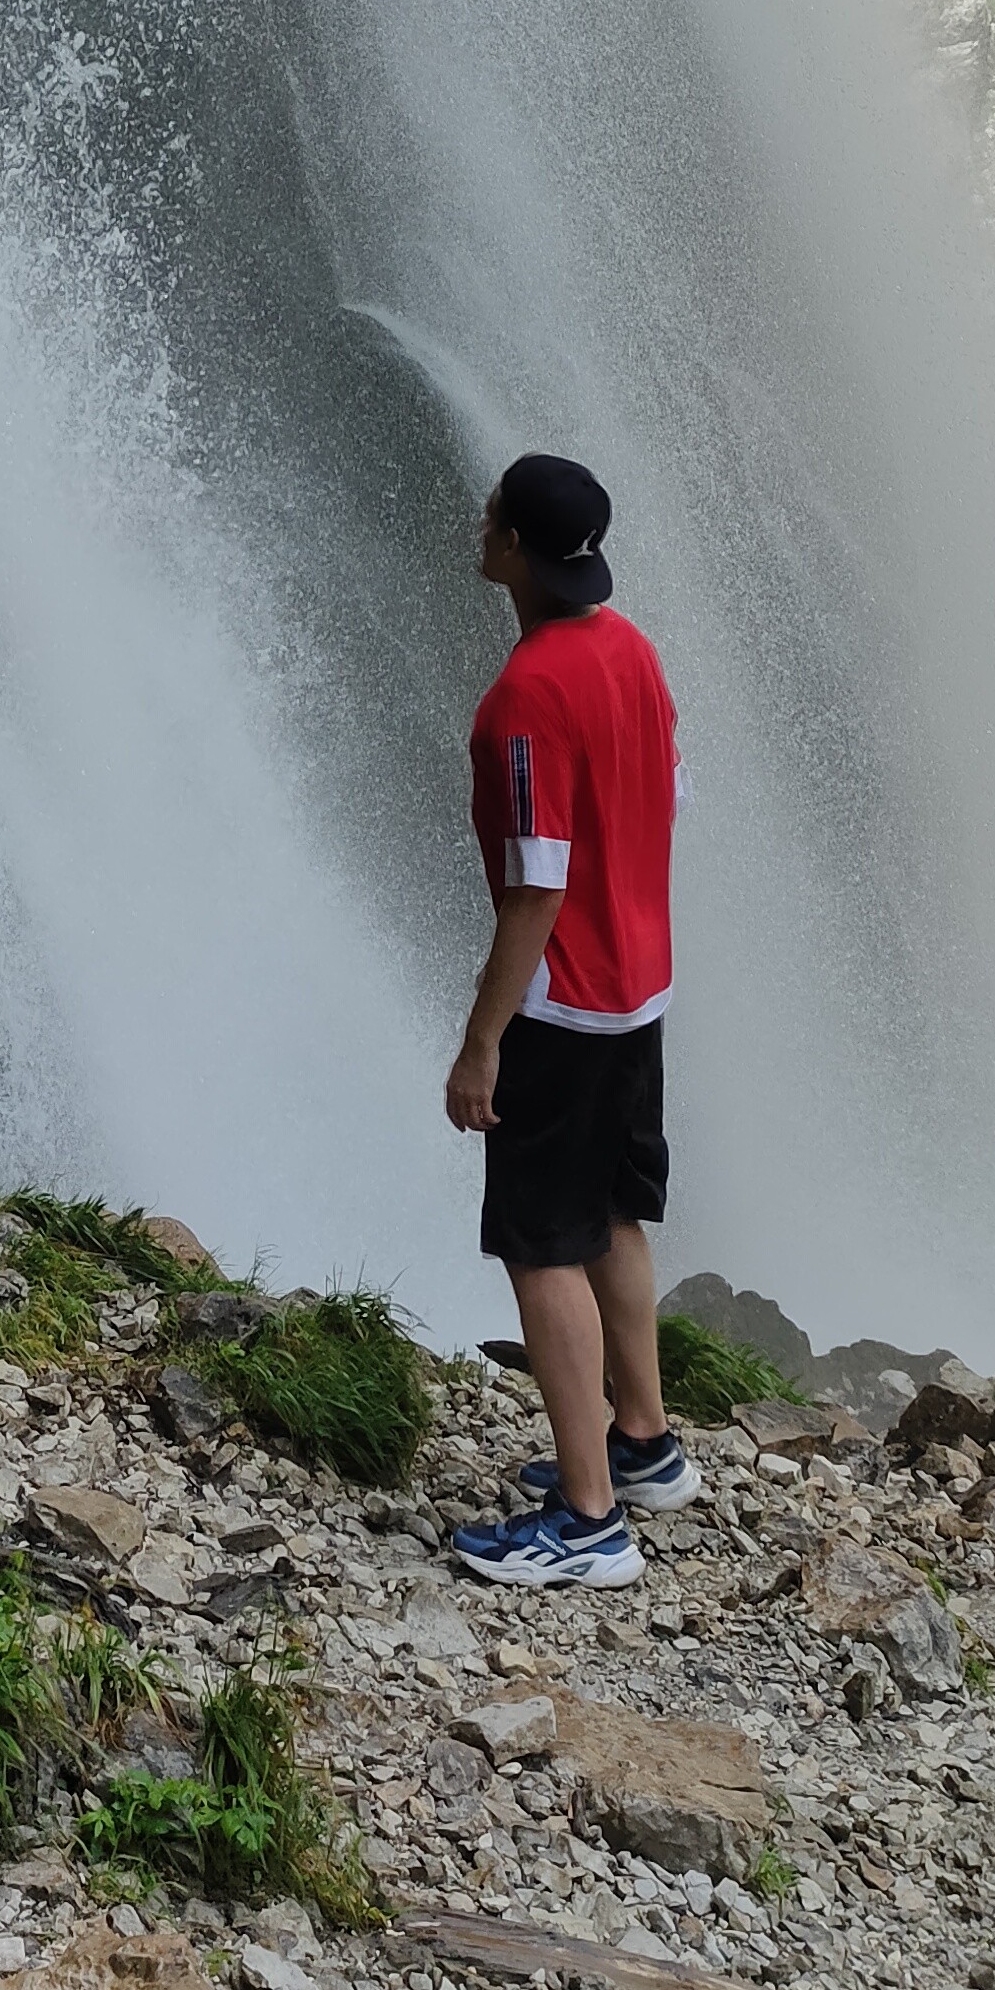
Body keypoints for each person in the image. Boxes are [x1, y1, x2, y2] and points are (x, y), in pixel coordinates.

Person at [443, 448, 694, 1587]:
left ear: (514, 551)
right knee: (611, 1219)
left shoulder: (526, 696)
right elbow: (666, 792)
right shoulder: (629, 650)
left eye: (492, 516)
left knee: (543, 1248)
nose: (480, 526)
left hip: (566, 1006)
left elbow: (537, 883)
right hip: (640, 989)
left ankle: (590, 1523)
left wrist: (483, 1039)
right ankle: (644, 1445)